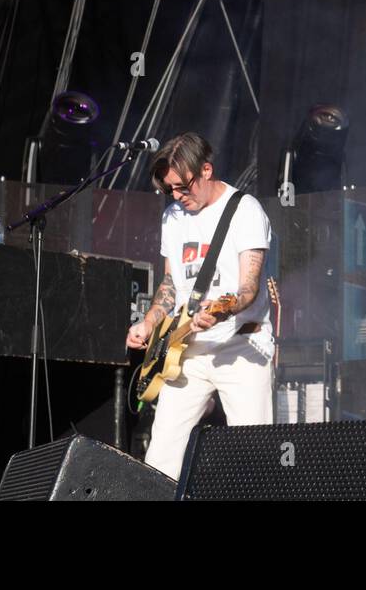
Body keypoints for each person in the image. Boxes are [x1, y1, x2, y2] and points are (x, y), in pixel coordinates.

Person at [126, 132, 274, 480]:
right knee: (161, 456)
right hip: (185, 350)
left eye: (182, 187)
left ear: (206, 170)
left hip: (241, 346)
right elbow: (169, 284)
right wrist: (148, 323)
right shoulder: (173, 218)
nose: (177, 196)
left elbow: (249, 288)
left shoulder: (244, 211)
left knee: (252, 457)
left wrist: (222, 309)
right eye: (169, 190)